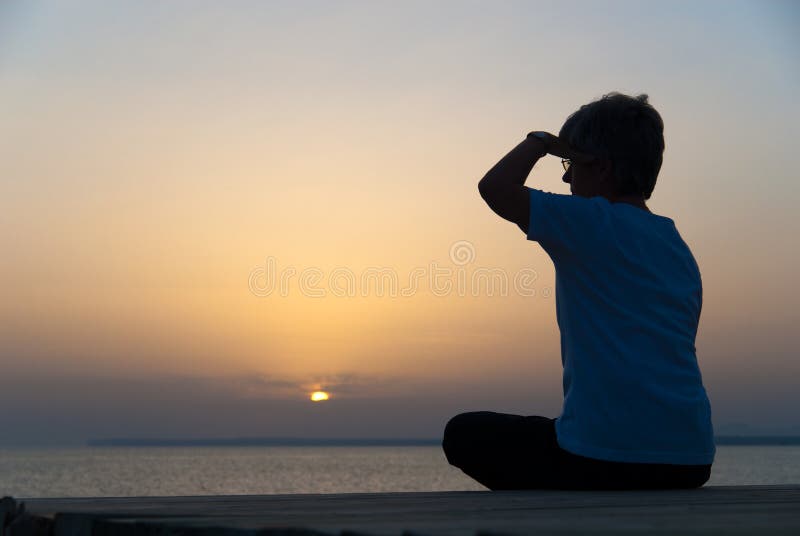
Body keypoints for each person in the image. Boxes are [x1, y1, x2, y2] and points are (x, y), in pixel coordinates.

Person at [442, 92, 715, 490]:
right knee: (549, 433)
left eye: (570, 163)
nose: (566, 177)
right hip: (691, 459)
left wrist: (540, 141)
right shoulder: (676, 245)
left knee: (464, 433)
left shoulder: (591, 221)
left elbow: (495, 187)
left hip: (606, 457)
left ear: (600, 167)